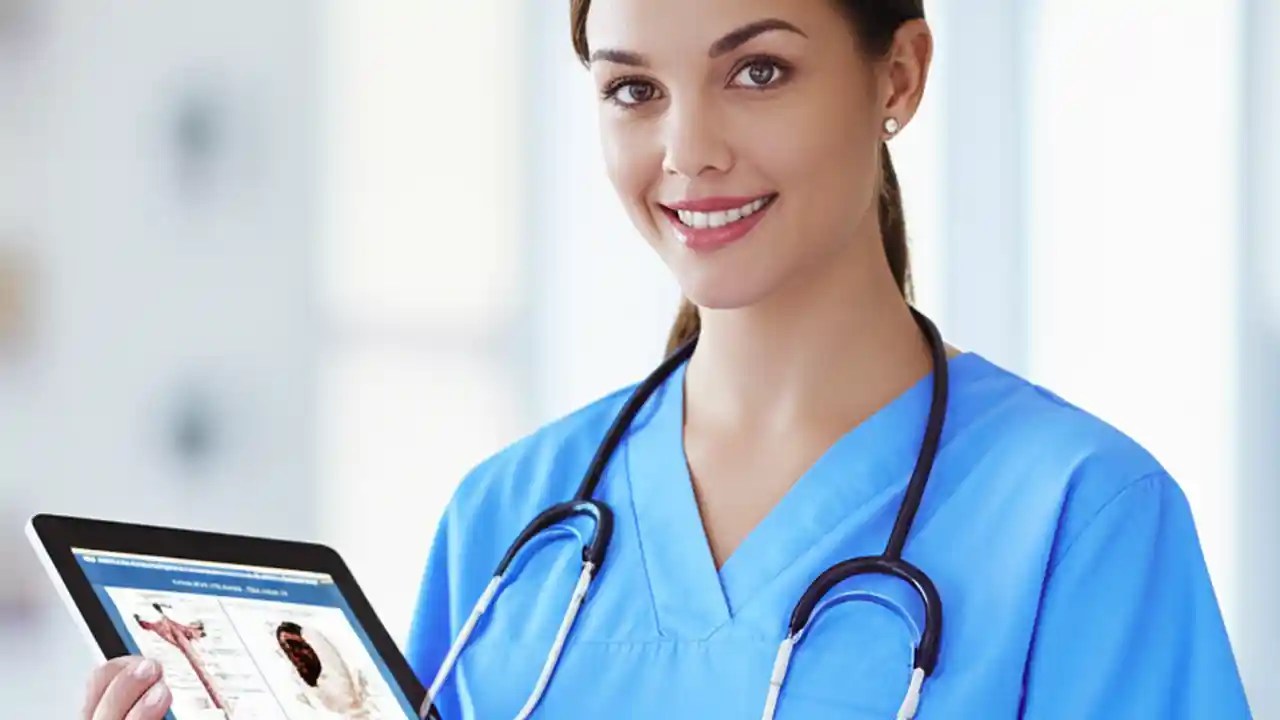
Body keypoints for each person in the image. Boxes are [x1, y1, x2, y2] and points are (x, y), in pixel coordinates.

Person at [82, 0, 1252, 718]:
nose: (687, 150)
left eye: (757, 70)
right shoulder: (511, 522)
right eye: (633, 89)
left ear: (896, 73)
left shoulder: (1079, 518)